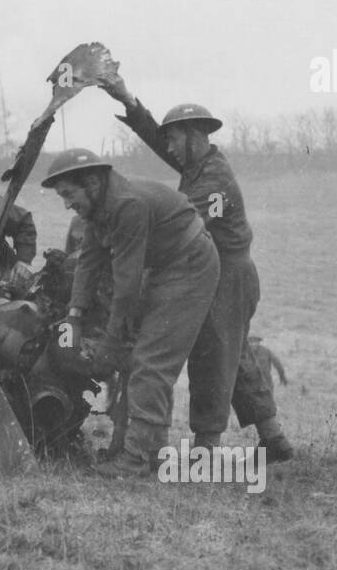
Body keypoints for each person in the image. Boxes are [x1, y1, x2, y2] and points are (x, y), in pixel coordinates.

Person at [108, 94, 295, 462]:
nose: (170, 148)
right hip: (229, 271)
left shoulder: (212, 179)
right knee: (235, 353)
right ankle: (273, 437)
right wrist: (130, 104)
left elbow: (185, 227)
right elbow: (164, 143)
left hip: (226, 275)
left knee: (212, 354)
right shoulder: (199, 163)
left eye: (175, 139)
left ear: (194, 135)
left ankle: (207, 448)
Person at [42, 148, 220, 477]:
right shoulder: (100, 208)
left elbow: (127, 284)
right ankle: (143, 449)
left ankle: (137, 458)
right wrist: (74, 317)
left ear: (92, 183)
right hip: (165, 265)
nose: (67, 204)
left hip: (189, 264)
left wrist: (111, 339)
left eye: (69, 194)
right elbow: (89, 262)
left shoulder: (127, 205)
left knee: (151, 360)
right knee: (140, 355)